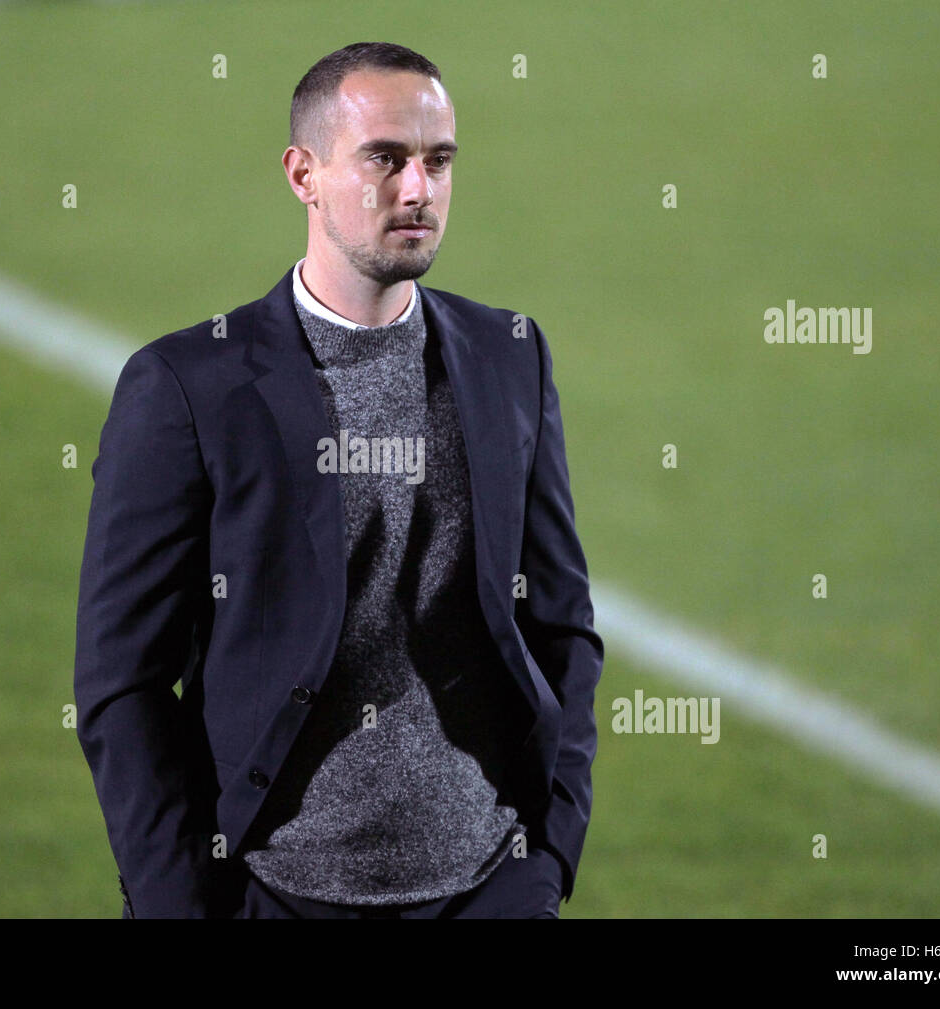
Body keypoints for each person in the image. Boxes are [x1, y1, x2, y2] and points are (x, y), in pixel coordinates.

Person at [73, 41, 604, 919]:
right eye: (385, 159)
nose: (418, 189)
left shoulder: (510, 356)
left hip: (486, 886)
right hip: (270, 894)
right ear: (303, 175)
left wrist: (544, 862)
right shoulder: (187, 387)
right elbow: (121, 679)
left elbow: (562, 625)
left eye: (438, 161)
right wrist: (179, 903)